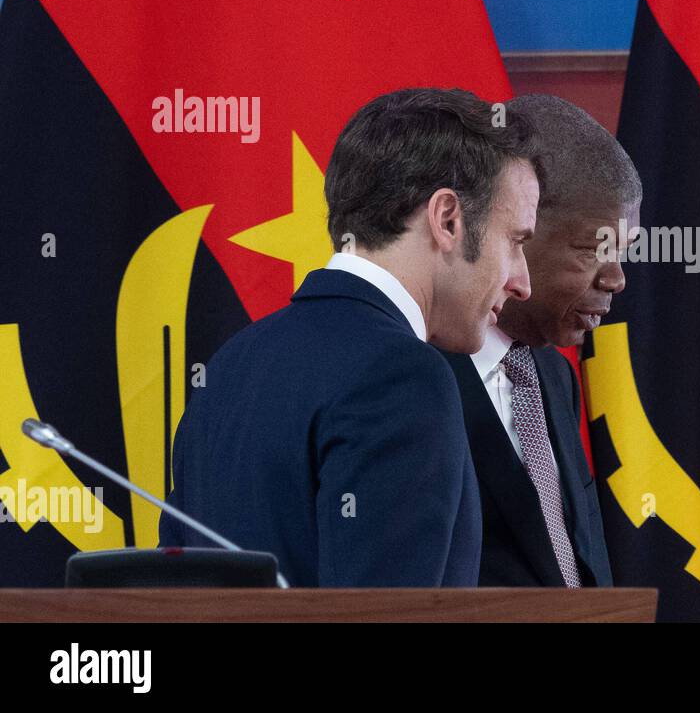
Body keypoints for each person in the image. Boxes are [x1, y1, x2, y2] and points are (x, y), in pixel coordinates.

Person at [159, 87, 539, 587]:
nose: (523, 282)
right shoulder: (404, 376)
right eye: (514, 241)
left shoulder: (233, 361)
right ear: (447, 219)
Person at [441, 94, 641, 588]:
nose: (616, 279)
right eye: (594, 250)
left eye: (624, 252)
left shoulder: (554, 376)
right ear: (519, 229)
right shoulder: (416, 372)